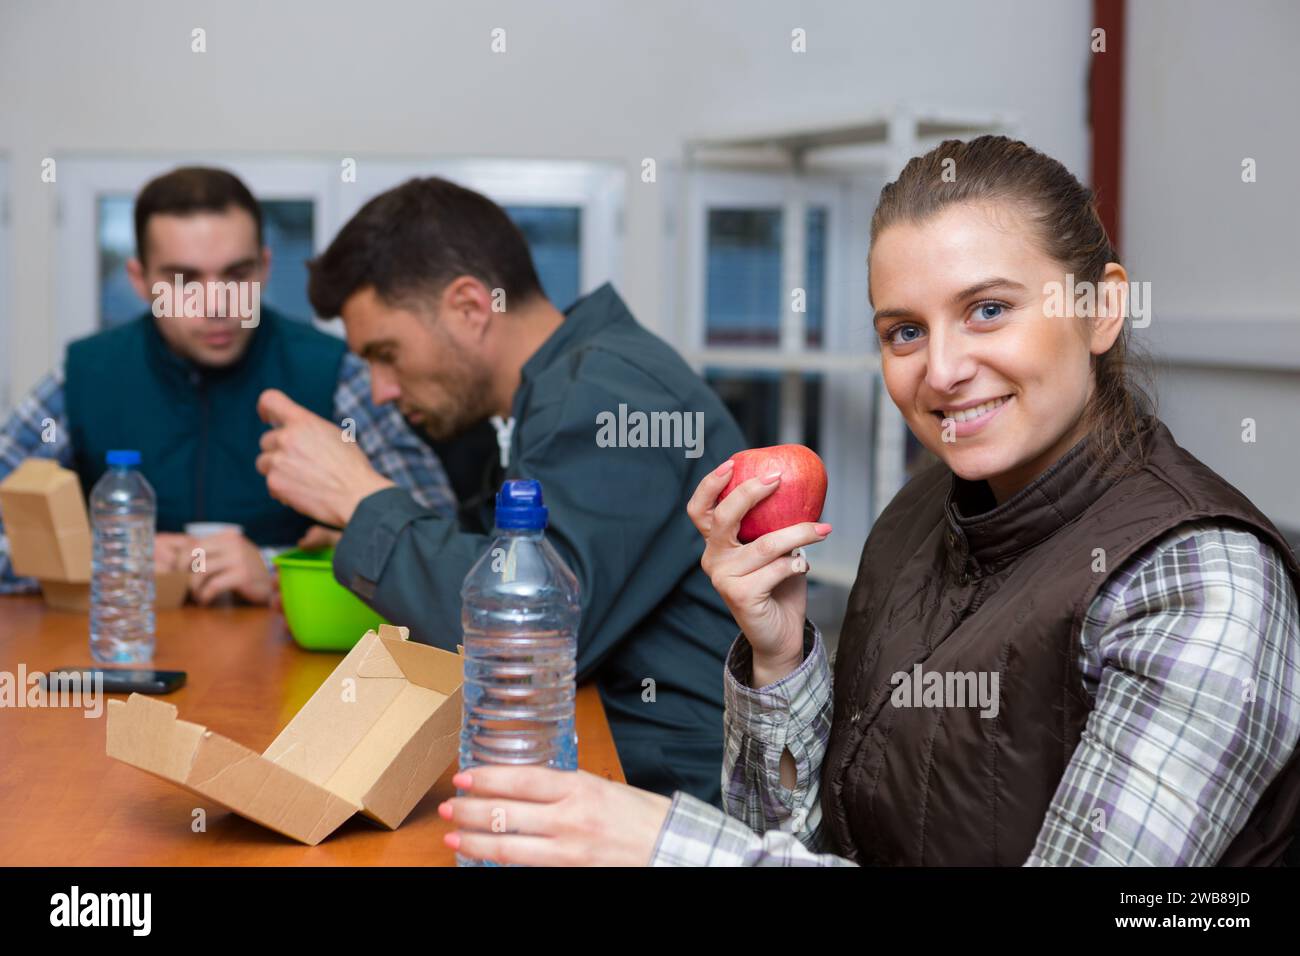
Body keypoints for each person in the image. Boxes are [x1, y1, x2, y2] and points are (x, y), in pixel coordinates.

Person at [435, 135, 1300, 867]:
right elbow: (804, 839)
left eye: (989, 309)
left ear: (1102, 308)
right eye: (905, 331)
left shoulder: (1202, 584)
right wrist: (779, 655)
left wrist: (664, 844)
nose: (943, 369)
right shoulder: (922, 514)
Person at [253, 176, 748, 807]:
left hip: (679, 804)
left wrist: (360, 498)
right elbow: (512, 562)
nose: (379, 390)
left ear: (469, 306)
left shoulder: (606, 394)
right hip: (617, 767)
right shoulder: (567, 384)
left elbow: (535, 635)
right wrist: (360, 528)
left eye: (387, 353)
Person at [0, 167, 453, 605]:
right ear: (140, 281)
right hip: (121, 654)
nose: (217, 303)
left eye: (237, 274)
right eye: (184, 280)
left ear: (265, 267)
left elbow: (435, 538)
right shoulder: (85, 373)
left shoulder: (336, 372)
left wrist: (277, 569)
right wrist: (104, 558)